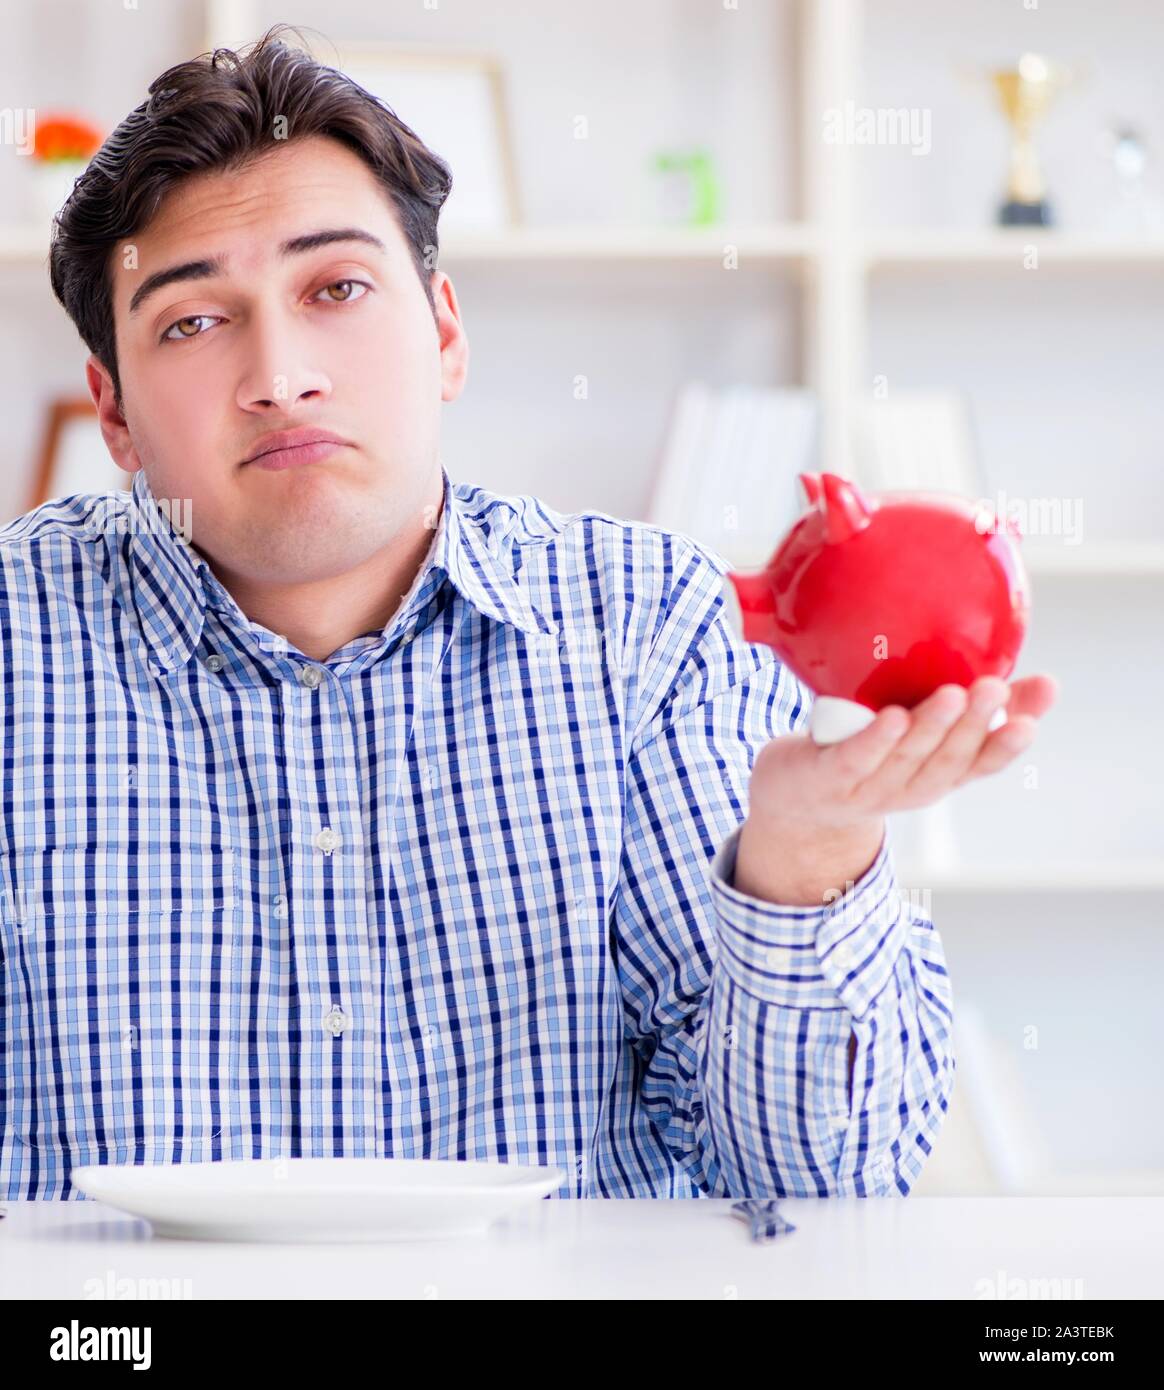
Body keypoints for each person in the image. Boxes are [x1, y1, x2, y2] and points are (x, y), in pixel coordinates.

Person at [0, 25, 1056, 1200]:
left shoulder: (652, 629)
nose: (281, 372)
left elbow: (817, 1180)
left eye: (337, 287)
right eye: (193, 322)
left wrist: (802, 864)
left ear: (445, 331)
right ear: (116, 413)